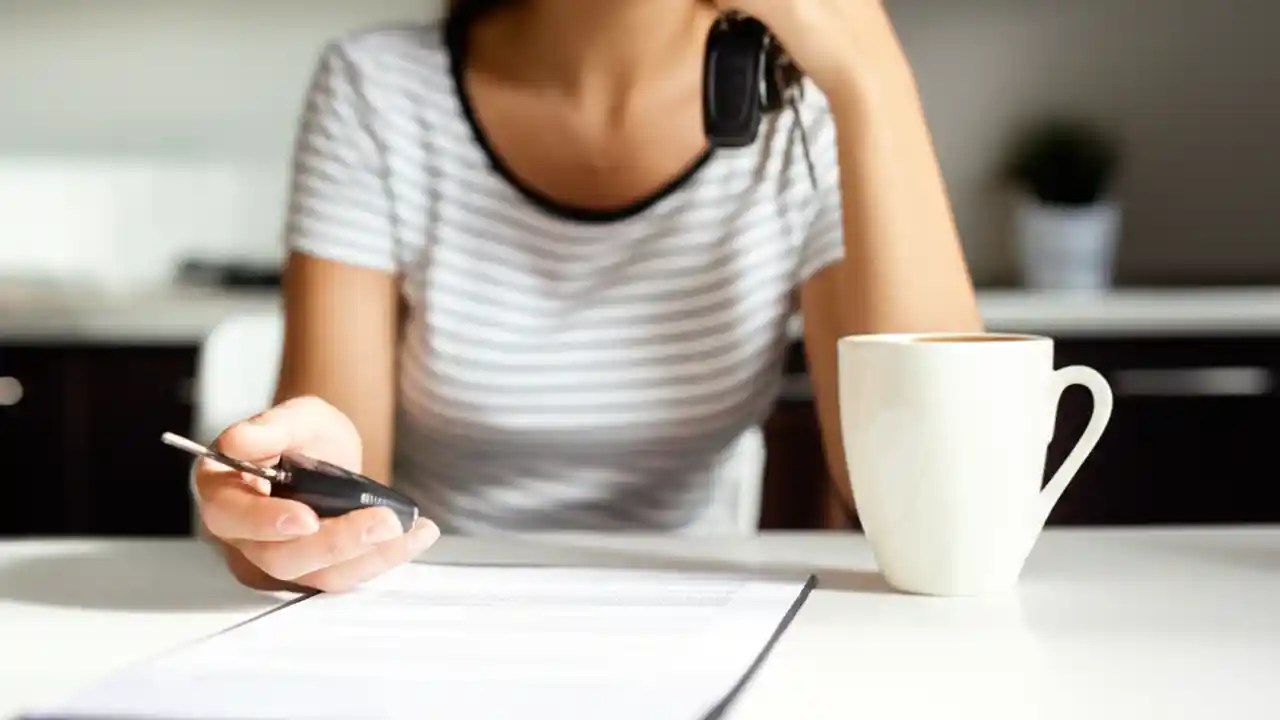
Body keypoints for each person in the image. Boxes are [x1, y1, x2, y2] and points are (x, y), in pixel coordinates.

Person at [196, 0, 981, 592]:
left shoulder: (806, 109)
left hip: (701, 607)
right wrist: (295, 527)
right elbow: (335, 497)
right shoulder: (377, 87)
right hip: (436, 599)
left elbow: (945, 508)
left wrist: (872, 75)